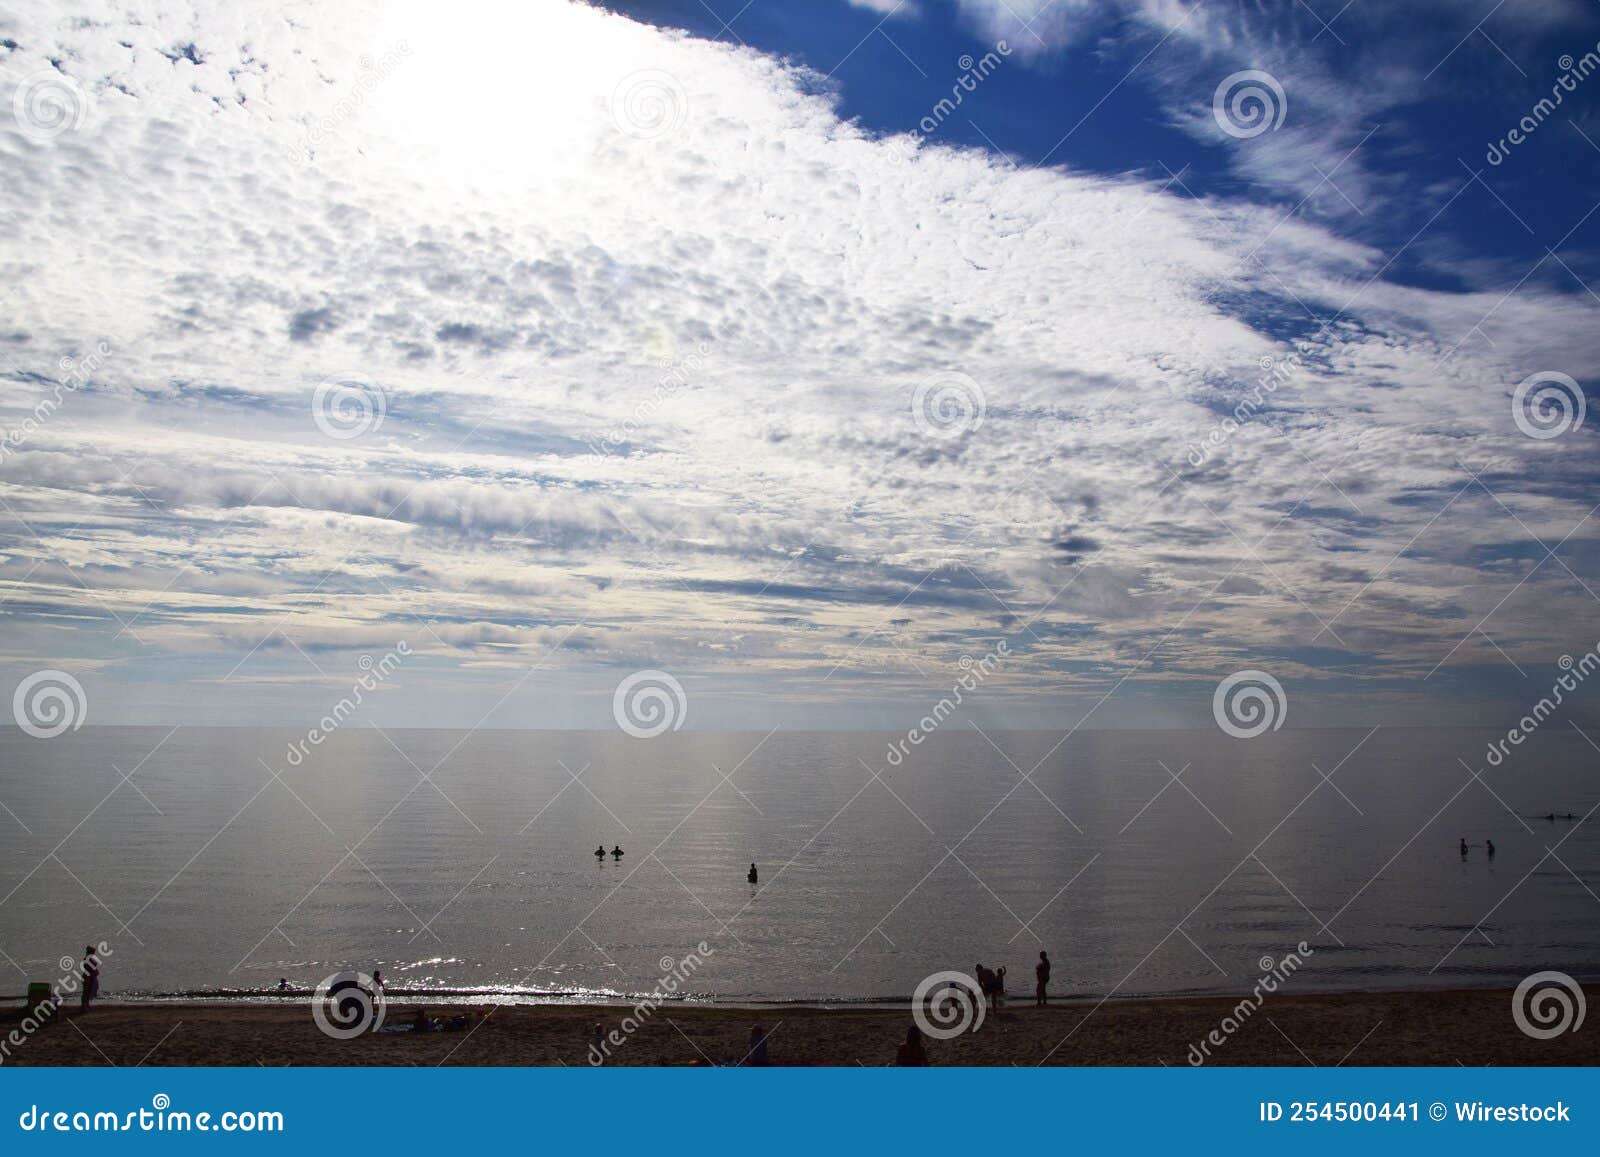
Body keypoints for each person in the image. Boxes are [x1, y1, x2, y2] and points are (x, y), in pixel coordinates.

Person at [80, 945, 100, 1010]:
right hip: (87, 977)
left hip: (90, 977)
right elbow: (89, 968)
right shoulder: (87, 959)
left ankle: (86, 1005)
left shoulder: (89, 958)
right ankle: (84, 1006)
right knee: (86, 991)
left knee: (89, 991)